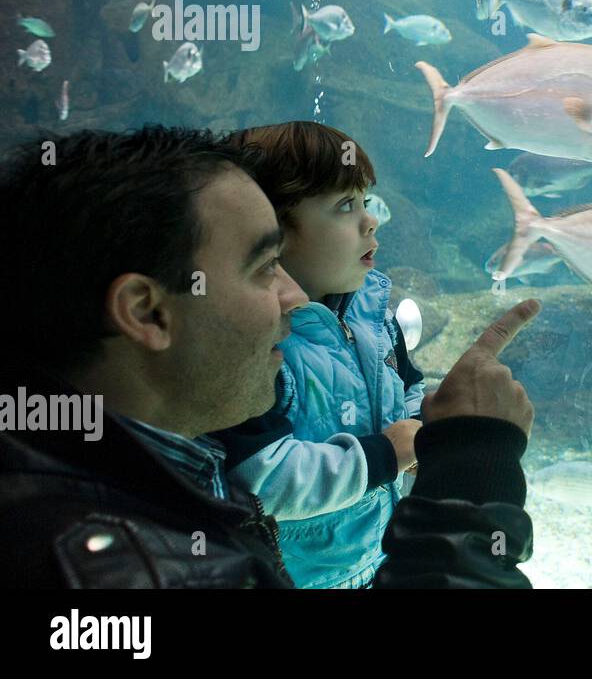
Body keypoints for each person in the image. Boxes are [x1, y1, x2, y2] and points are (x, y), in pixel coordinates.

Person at [0, 126, 538, 588]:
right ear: (147, 312)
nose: (293, 298)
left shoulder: (113, 477)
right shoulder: (119, 563)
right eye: (264, 267)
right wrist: (475, 469)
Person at [212, 122, 425, 589]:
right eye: (345, 206)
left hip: (374, 563)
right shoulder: (258, 345)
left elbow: (409, 387)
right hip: (292, 579)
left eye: (365, 201)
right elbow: (260, 480)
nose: (370, 220)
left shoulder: (374, 312)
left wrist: (429, 427)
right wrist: (386, 456)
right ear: (269, 232)